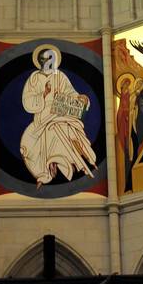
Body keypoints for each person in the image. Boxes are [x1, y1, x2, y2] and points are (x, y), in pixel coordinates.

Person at [20, 46, 96, 186]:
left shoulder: (59, 75)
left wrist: (81, 99)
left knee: (68, 129)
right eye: (46, 59)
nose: (49, 62)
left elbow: (71, 93)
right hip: (42, 117)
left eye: (51, 59)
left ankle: (81, 162)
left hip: (60, 113)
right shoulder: (34, 78)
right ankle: (46, 172)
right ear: (41, 61)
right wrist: (44, 94)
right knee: (32, 141)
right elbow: (27, 101)